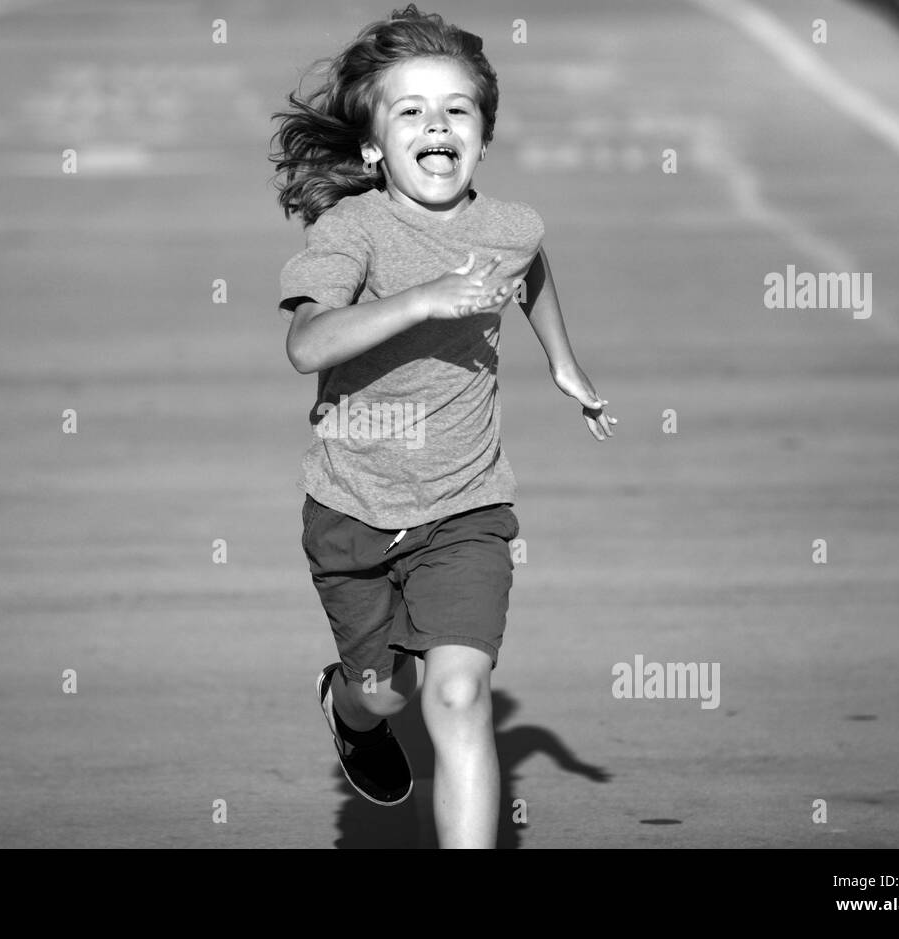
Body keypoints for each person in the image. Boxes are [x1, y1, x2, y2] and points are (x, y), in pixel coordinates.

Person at [270, 3, 616, 848]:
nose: (437, 125)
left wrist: (562, 362)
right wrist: (424, 298)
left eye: (457, 109)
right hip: (352, 508)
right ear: (370, 146)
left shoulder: (505, 224)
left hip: (466, 506)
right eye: (411, 111)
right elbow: (306, 343)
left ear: (485, 138)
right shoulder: (349, 230)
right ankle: (348, 710)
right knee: (384, 692)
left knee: (458, 695)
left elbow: (527, 264)